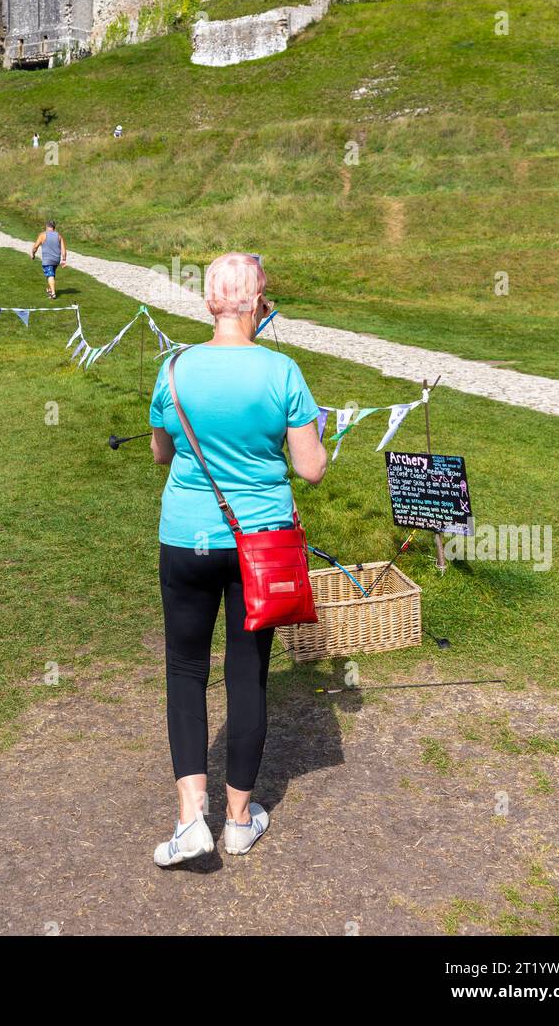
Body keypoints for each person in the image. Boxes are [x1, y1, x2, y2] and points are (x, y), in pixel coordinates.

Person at [148, 252, 327, 867]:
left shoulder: (172, 368)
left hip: (187, 538)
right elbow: (311, 467)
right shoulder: (283, 372)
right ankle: (238, 819)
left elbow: (161, 454)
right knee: (246, 673)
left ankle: (189, 816)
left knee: (185, 669)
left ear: (209, 303)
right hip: (262, 546)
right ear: (257, 302)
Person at [30, 219, 66, 299]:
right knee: (51, 274)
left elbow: (35, 246)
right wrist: (64, 259)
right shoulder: (59, 236)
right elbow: (63, 249)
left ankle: (53, 293)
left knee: (50, 275)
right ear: (54, 227)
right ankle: (50, 289)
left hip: (47, 259)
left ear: (46, 226)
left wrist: (33, 254)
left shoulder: (43, 235)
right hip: (56, 259)